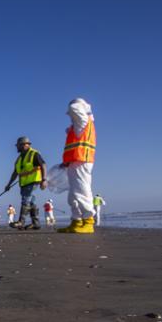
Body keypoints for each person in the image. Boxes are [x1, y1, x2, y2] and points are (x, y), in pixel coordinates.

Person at [57, 98, 97, 234]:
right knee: (73, 194)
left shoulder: (83, 121)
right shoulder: (77, 126)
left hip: (82, 161)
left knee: (81, 191)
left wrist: (78, 103)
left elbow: (76, 108)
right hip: (74, 162)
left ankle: (88, 221)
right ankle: (76, 221)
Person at [4, 136, 47, 230]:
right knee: (31, 202)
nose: (16, 147)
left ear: (24, 145)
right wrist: (9, 184)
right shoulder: (19, 159)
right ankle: (36, 223)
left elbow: (43, 165)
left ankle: (21, 222)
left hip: (34, 181)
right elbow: (15, 173)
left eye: (18, 145)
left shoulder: (34, 154)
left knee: (25, 199)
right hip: (24, 183)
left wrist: (44, 180)